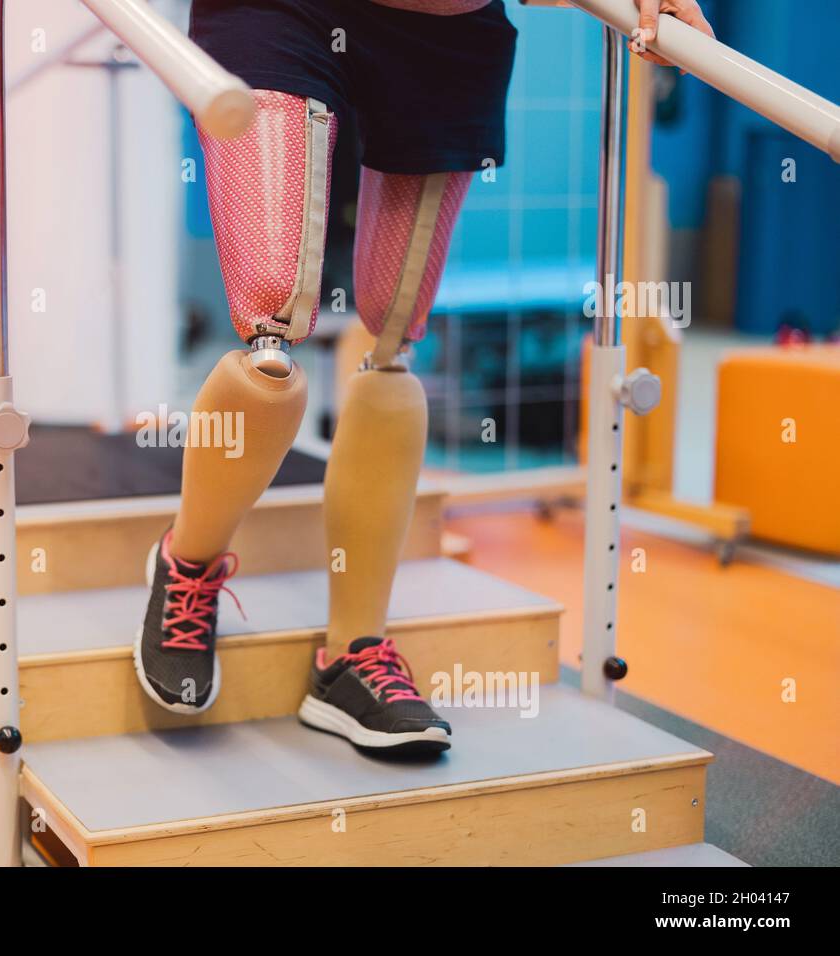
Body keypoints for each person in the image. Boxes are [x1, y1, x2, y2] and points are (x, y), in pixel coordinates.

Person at [135, 0, 714, 755]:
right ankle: (188, 563)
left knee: (393, 336)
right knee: (272, 332)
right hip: (281, 11)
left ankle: (350, 657)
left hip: (447, 26)